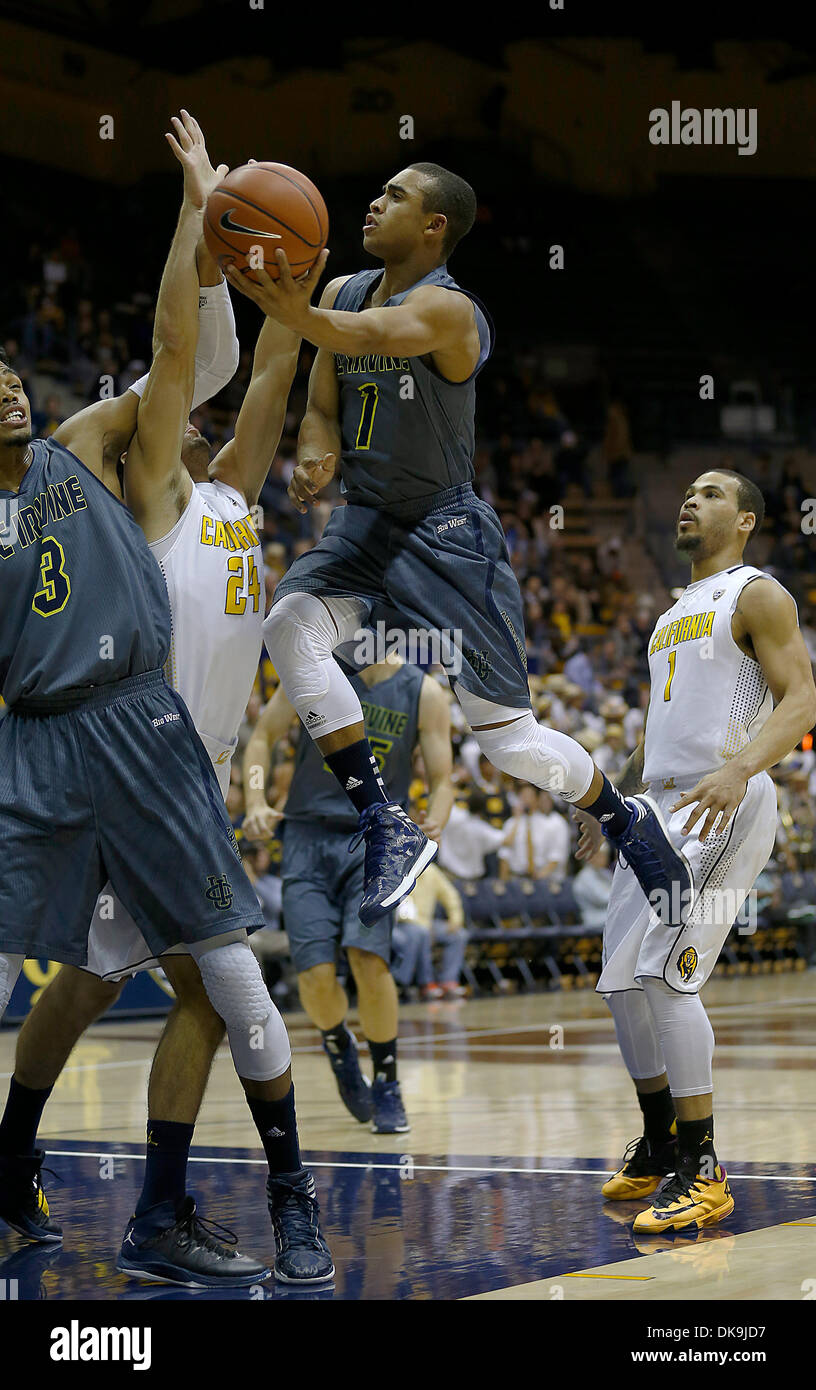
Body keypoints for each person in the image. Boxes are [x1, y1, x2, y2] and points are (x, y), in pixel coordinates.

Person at [0, 115, 333, 1287]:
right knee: (225, 983)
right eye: (170, 401)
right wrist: (202, 209)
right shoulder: (149, 496)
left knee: (97, 983)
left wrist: (294, 286)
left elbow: (272, 368)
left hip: (181, 773)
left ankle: (14, 1163)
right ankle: (219, 1209)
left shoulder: (235, 493)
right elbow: (176, 343)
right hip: (135, 767)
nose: (184, 409)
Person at [223, 162, 695, 943]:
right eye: (376, 193)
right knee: (288, 626)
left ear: (435, 225)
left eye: (396, 197)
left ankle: (621, 815)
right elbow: (323, 405)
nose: (374, 203)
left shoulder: (449, 311)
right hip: (364, 521)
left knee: (507, 741)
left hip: (445, 535)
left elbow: (369, 336)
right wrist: (316, 451)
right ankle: (384, 820)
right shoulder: (339, 294)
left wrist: (286, 307)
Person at [575, 470, 816, 1234]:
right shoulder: (673, 613)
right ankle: (657, 1146)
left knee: (666, 977)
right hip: (660, 806)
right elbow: (666, 726)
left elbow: (803, 698)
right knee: (620, 984)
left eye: (711, 493)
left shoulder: (758, 593)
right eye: (687, 491)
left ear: (744, 520)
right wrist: (618, 808)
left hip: (726, 803)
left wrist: (741, 768)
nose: (690, 498)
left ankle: (704, 1168)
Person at [242, 651, 454, 1132]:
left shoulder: (423, 690)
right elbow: (261, 738)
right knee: (314, 976)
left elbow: (443, 780)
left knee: (367, 959)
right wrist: (254, 797)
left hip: (372, 839)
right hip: (306, 838)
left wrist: (438, 814)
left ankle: (387, 1081)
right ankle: (339, 1047)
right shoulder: (316, 667)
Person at [392, 861, 468, 999]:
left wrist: (455, 918)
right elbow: (402, 910)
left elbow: (450, 894)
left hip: (426, 924)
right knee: (421, 933)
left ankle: (448, 981)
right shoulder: (398, 869)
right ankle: (426, 983)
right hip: (401, 924)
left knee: (459, 934)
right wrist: (424, 926)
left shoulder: (431, 871)